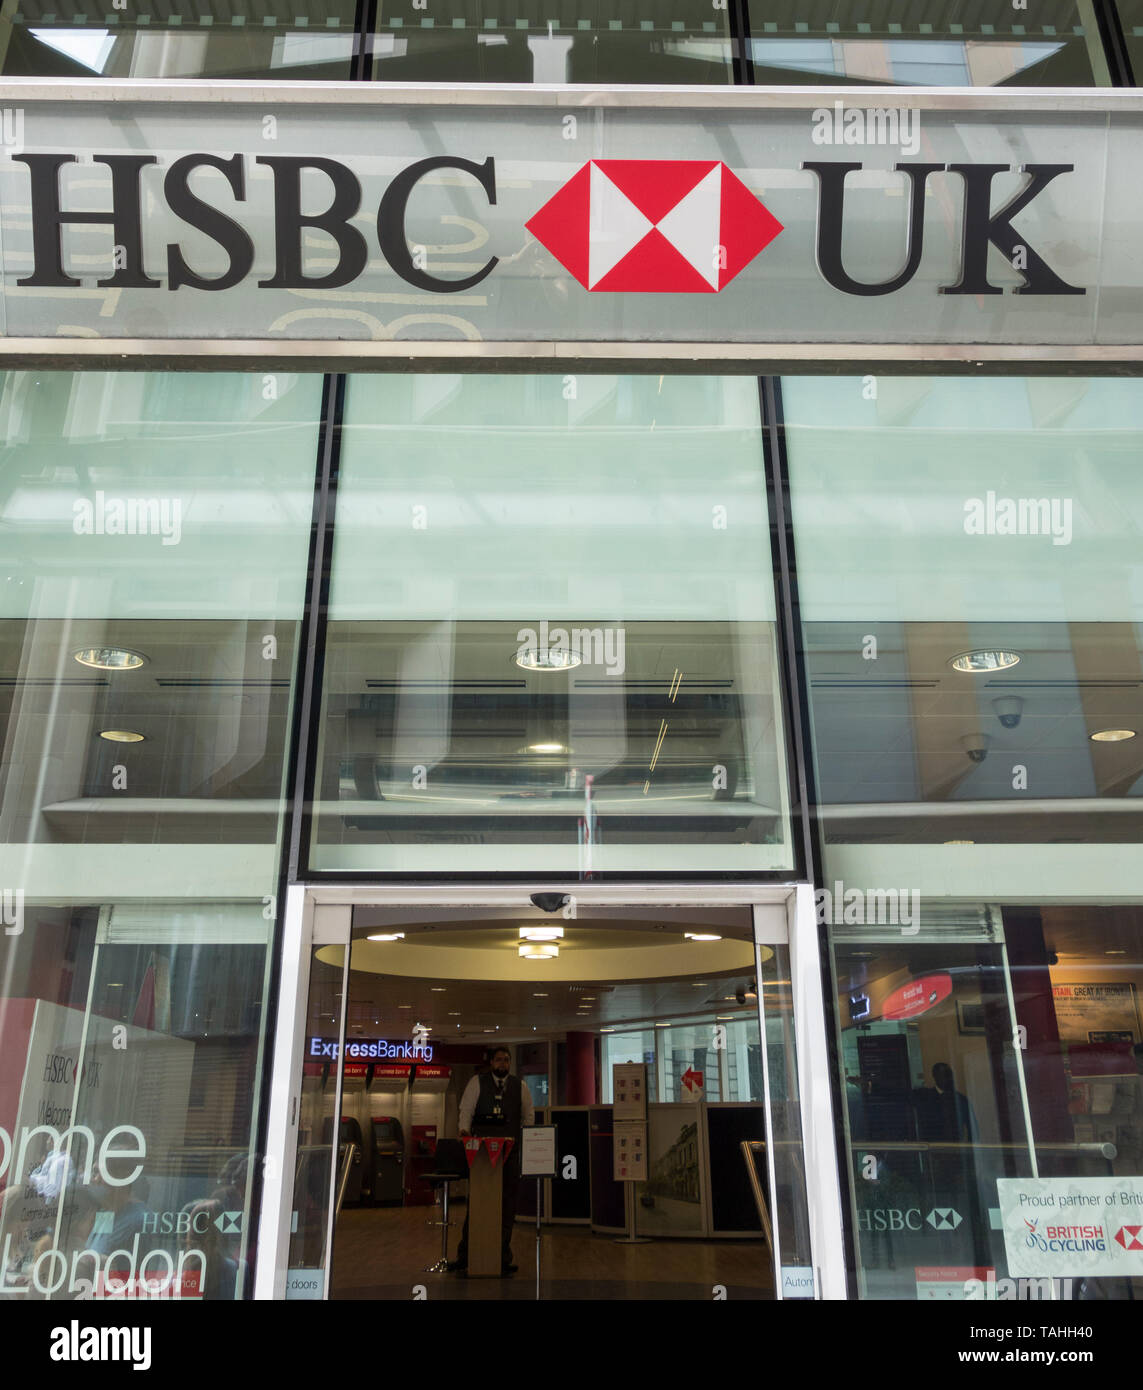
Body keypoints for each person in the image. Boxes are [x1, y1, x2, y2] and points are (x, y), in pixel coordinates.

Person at [450, 1045, 534, 1276]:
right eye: (498, 1060)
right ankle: (466, 1255)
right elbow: (465, 1110)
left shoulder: (521, 1087)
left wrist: (525, 1140)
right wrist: (464, 1130)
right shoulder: (477, 1082)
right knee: (477, 1205)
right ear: (491, 1062)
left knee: (507, 1208)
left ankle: (502, 1257)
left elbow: (528, 1117)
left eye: (506, 1060)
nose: (502, 1064)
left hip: (510, 1154)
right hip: (481, 1156)